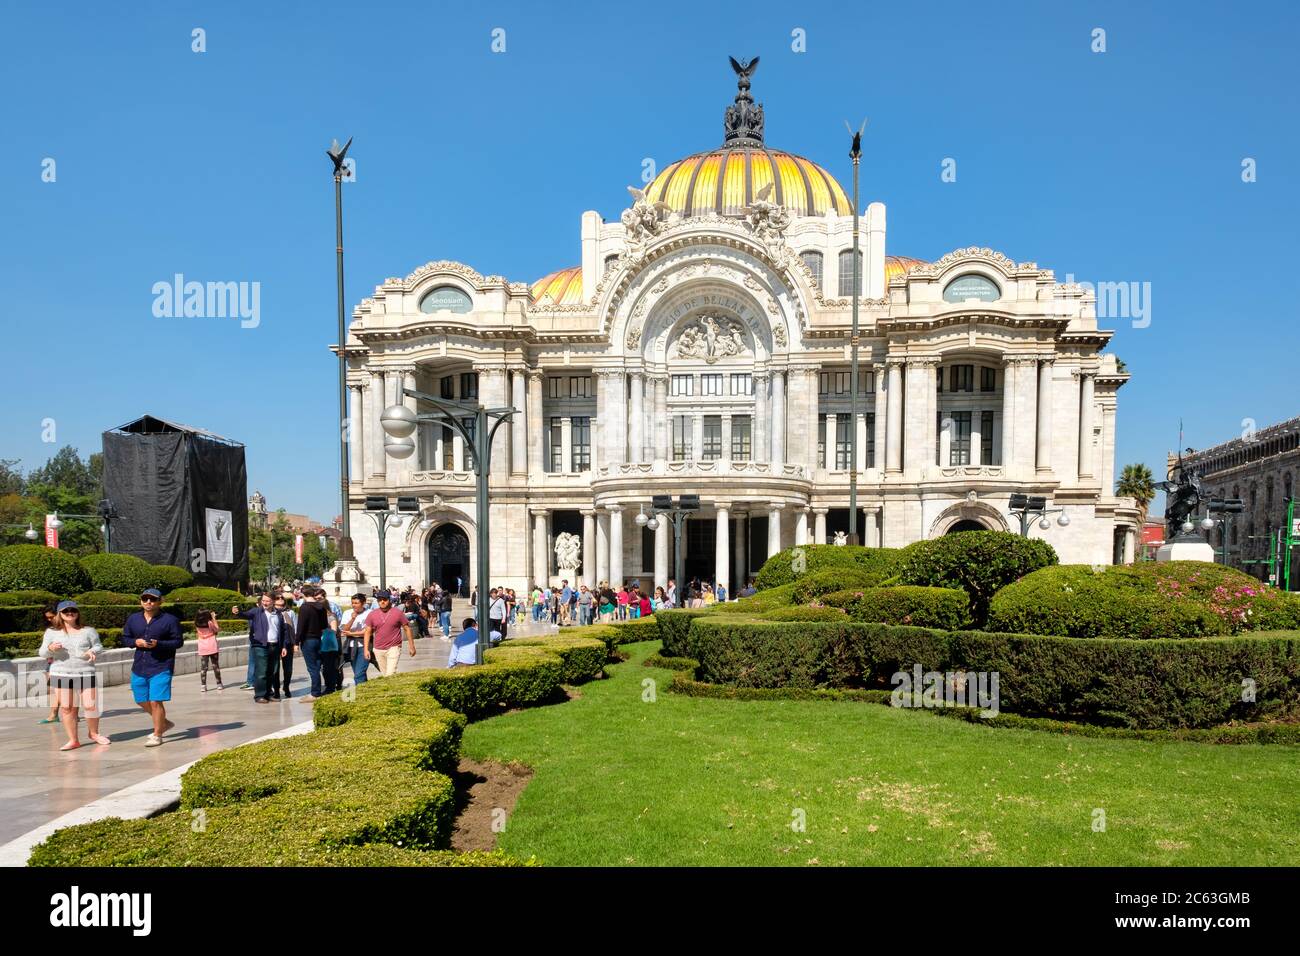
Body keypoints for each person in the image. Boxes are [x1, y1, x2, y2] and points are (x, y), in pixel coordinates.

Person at [39, 601, 110, 751]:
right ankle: (73, 740)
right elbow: (42, 653)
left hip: (85, 672)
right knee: (67, 708)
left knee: (91, 706)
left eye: (73, 610)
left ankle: (94, 734)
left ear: (78, 613)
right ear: (60, 614)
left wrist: (93, 651)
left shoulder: (88, 630)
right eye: (66, 611)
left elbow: (98, 645)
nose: (70, 613)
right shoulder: (51, 632)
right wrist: (50, 648)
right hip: (61, 673)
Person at [121, 589, 184, 747]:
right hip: (139, 666)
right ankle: (164, 723)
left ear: (160, 601)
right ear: (140, 601)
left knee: (156, 701)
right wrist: (135, 642)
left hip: (161, 666)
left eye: (153, 599)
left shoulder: (170, 620)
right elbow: (125, 638)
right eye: (145, 599)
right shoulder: (133, 619)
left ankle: (157, 734)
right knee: (141, 700)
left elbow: (178, 642)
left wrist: (159, 644)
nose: (148, 602)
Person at [231, 593, 291, 702]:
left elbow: (283, 631)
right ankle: (259, 695)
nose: (264, 603)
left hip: (275, 645)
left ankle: (269, 693)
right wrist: (238, 612)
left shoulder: (278, 614)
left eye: (267, 601)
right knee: (262, 671)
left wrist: (284, 646)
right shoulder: (256, 611)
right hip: (260, 645)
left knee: (272, 672)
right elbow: (245, 615)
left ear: (273, 601)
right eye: (263, 600)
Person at [364, 590, 416, 677]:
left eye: (384, 599)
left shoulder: (398, 613)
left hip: (394, 647)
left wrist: (412, 646)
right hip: (378, 649)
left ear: (389, 600)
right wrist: (366, 649)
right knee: (385, 675)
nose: (382, 602)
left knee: (390, 674)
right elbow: (367, 632)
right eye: (380, 600)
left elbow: (407, 629)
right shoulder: (372, 614)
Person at [294, 586, 329, 701]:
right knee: (317, 666)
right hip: (318, 639)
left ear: (304, 595)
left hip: (308, 640)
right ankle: (317, 690)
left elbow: (300, 627)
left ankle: (315, 693)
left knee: (312, 668)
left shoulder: (305, 607)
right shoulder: (322, 607)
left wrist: (296, 642)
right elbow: (324, 625)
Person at [340, 592, 373, 685]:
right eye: (352, 603)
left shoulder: (369, 613)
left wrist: (352, 633)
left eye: (356, 603)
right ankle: (365, 690)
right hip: (351, 646)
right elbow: (344, 630)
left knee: (359, 673)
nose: (354, 605)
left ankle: (360, 693)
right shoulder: (347, 613)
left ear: (363, 603)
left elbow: (368, 632)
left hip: (365, 645)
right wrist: (352, 619)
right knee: (358, 672)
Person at [37, 603, 60, 724]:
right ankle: (53, 714)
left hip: (68, 664)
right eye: (48, 618)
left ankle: (73, 713)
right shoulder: (50, 631)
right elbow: (43, 649)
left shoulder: (74, 629)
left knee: (70, 689)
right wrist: (50, 648)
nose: (50, 620)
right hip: (52, 662)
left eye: (52, 617)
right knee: (53, 689)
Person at [271, 593, 297, 698]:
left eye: (282, 597)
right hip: (276, 643)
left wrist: (296, 643)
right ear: (273, 600)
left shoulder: (290, 612)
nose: (281, 599)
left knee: (288, 669)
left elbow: (295, 628)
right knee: (275, 669)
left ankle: (286, 686)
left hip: (288, 643)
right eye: (277, 598)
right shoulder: (271, 613)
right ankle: (276, 690)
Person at [195, 610, 223, 692]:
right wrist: (214, 618)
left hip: (202, 646)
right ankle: (219, 684)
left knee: (204, 667)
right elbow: (217, 629)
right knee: (215, 666)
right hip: (212, 645)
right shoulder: (209, 623)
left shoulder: (196, 623)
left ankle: (203, 686)